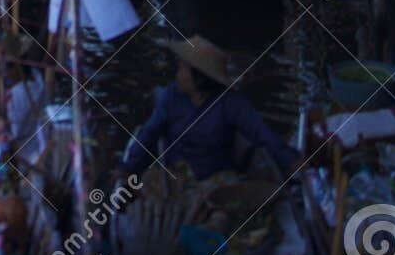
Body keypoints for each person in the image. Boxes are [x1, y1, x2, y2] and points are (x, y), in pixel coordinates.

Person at [124, 35, 295, 182]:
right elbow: (149, 133)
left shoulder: (229, 101)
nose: (178, 74)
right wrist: (130, 167)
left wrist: (290, 160)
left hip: (219, 178)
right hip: (178, 176)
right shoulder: (171, 96)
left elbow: (260, 132)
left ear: (198, 79)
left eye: (183, 69)